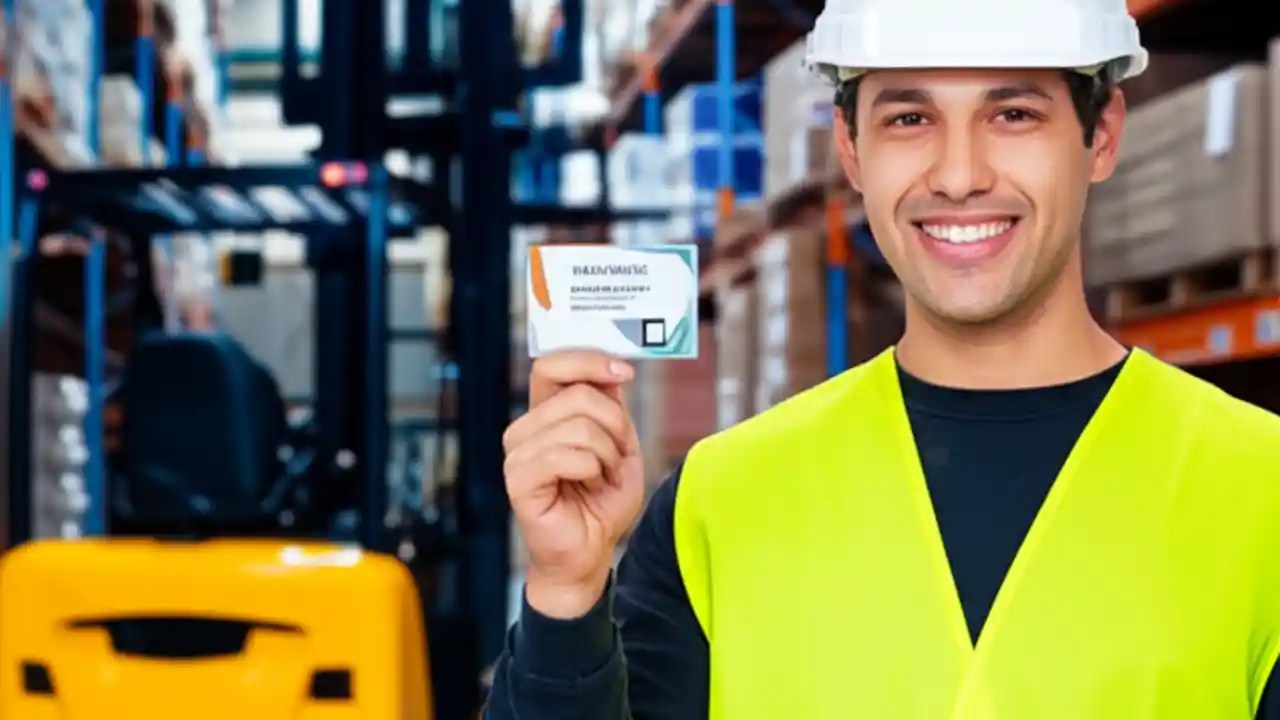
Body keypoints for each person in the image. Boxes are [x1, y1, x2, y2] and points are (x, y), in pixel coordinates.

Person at [486, 0, 1280, 717]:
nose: (960, 176)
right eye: (909, 119)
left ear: (1101, 135)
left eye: (1012, 113)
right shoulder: (714, 509)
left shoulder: (1260, 491)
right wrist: (565, 594)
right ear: (852, 151)